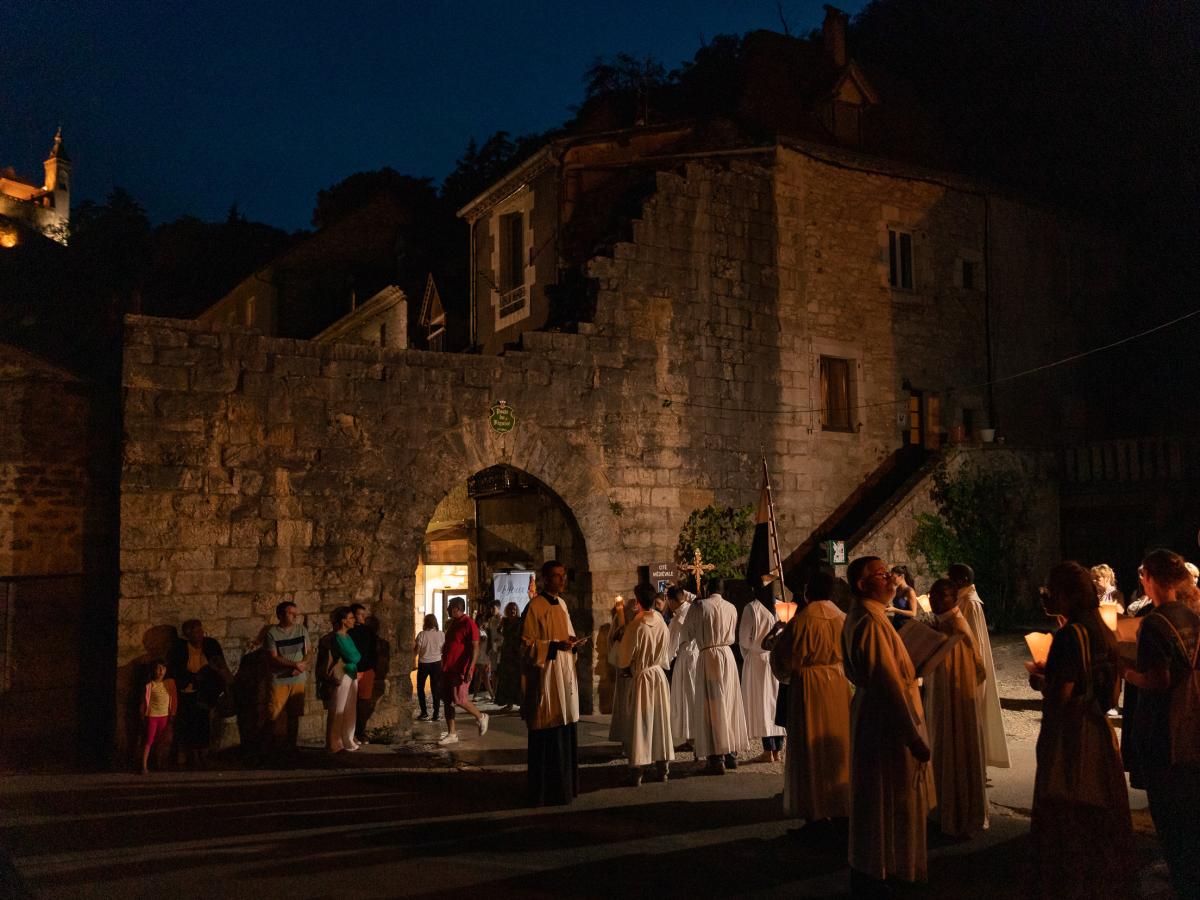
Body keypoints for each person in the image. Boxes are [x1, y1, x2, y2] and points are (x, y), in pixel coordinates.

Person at [1028, 561, 1133, 900]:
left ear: (1069, 595)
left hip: (1072, 737)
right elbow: (1113, 692)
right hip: (1099, 730)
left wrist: (1042, 679)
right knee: (1100, 813)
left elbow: (1062, 697)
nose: (1047, 598)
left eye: (1051, 591)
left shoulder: (1070, 635)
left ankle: (1070, 884)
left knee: (1068, 810)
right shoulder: (1104, 628)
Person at [842, 556, 932, 896]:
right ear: (863, 585)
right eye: (882, 576)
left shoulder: (869, 615)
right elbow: (888, 683)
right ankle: (886, 867)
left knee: (878, 794)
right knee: (888, 794)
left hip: (873, 711)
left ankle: (878, 866)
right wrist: (913, 736)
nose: (891, 579)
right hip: (886, 719)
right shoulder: (871, 621)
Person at [1122, 549, 1200, 900]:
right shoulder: (1192, 615)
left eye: (1143, 576)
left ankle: (1183, 877)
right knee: (1190, 804)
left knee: (1167, 809)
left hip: (1164, 726)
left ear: (1151, 578)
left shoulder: (1154, 622)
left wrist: (1127, 672)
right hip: (1191, 721)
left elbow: (1159, 680)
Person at [769, 570, 851, 826]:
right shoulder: (842, 618)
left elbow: (783, 658)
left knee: (810, 745)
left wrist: (785, 670)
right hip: (837, 684)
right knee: (837, 744)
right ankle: (840, 805)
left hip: (809, 687)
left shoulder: (802, 620)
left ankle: (813, 812)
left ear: (808, 591)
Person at [925, 578, 988, 839]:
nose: (934, 600)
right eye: (932, 595)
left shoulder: (957, 627)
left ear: (953, 599)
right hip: (941, 698)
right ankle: (942, 808)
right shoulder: (942, 623)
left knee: (956, 749)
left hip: (955, 701)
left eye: (941, 596)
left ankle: (959, 813)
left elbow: (970, 667)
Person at [521, 560, 585, 806]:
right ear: (547, 579)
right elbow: (525, 645)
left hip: (564, 672)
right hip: (547, 678)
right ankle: (545, 791)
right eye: (557, 576)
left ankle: (566, 788)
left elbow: (565, 634)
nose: (562, 580)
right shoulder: (535, 606)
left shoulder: (563, 605)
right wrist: (554, 646)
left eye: (563, 575)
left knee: (566, 726)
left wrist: (573, 642)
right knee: (549, 732)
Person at [681, 581, 749, 774]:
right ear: (723, 591)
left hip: (708, 655)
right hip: (727, 656)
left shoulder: (699, 606)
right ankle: (731, 754)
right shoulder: (732, 607)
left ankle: (716, 757)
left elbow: (687, 633)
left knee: (711, 705)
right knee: (728, 702)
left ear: (706, 590)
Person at [947, 563, 1010, 768]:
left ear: (962, 580)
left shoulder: (971, 604)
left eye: (951, 578)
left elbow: (974, 642)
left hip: (969, 669)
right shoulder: (962, 600)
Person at [617, 583, 674, 785]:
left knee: (641, 722)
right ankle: (662, 766)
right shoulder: (660, 620)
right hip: (657, 675)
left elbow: (625, 657)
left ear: (638, 601)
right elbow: (666, 649)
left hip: (642, 677)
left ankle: (638, 769)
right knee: (659, 721)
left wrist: (625, 664)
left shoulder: (636, 625)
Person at [167, 619, 232, 767]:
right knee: (190, 723)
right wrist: (193, 677)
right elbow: (176, 671)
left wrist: (227, 685)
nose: (200, 634)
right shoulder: (180, 649)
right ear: (187, 634)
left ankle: (204, 755)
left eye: (200, 630)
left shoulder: (211, 645)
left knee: (204, 723)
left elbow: (220, 665)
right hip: (187, 690)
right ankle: (193, 756)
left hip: (207, 690)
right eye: (196, 632)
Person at [739, 584, 785, 763]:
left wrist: (749, 654)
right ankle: (777, 749)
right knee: (775, 702)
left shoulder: (751, 608)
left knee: (764, 704)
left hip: (758, 661)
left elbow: (744, 639)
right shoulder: (782, 606)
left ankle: (769, 749)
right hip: (777, 658)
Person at [438, 597, 488, 746]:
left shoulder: (469, 624)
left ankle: (480, 716)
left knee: (459, 699)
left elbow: (475, 647)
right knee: (448, 701)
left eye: (449, 607)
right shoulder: (453, 623)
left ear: (456, 609)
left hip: (460, 668)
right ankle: (452, 733)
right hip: (448, 667)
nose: (447, 609)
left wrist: (470, 668)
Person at [265, 601, 311, 756]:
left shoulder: (301, 629)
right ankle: (274, 747)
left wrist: (302, 666)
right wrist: (295, 665)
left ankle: (291, 745)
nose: (294, 616)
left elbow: (309, 651)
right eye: (290, 613)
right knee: (274, 714)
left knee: (294, 713)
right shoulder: (272, 633)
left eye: (295, 613)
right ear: (280, 615)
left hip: (297, 679)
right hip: (280, 679)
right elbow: (274, 657)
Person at [318, 606, 360, 754]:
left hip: (351, 674)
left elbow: (355, 655)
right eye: (350, 618)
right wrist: (354, 658)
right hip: (343, 675)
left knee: (349, 708)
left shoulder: (347, 636)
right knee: (338, 708)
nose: (353, 620)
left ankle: (347, 739)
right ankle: (334, 742)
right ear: (343, 621)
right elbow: (354, 656)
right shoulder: (337, 637)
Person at [666, 586, 699, 750]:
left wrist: (665, 662)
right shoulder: (696, 608)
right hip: (700, 655)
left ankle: (692, 737)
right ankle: (697, 735)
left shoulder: (677, 619)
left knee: (687, 698)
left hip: (686, 659)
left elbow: (671, 646)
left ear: (672, 601)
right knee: (696, 696)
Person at [607, 593, 640, 755]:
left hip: (638, 668)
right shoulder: (619, 620)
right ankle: (625, 741)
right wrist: (618, 635)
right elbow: (611, 639)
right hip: (623, 667)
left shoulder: (641, 620)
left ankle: (637, 740)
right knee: (624, 705)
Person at [348, 603, 379, 743]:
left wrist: (372, 668)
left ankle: (361, 731)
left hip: (366, 671)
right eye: (360, 614)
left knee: (364, 703)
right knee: (350, 703)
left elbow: (373, 650)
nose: (363, 617)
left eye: (363, 614)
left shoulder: (368, 631)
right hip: (351, 671)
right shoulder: (348, 632)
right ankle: (350, 732)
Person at [140, 659, 177, 774]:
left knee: (161, 741)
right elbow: (143, 702)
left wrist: (173, 714)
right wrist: (142, 715)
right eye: (158, 668)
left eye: (163, 668)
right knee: (149, 740)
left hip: (164, 716)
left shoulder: (170, 683)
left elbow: (174, 699)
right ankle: (144, 765)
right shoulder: (150, 685)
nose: (161, 671)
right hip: (153, 716)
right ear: (154, 670)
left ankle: (159, 763)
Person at [493, 602, 523, 712]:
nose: (512, 611)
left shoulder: (520, 621)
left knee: (517, 679)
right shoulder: (504, 621)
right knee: (507, 679)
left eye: (514, 609)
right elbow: (499, 632)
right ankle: (509, 703)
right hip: (507, 653)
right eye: (510, 609)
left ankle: (520, 704)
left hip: (516, 653)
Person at [414, 614, 444, 721]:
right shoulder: (441, 634)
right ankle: (436, 713)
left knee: (420, 687)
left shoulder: (422, 635)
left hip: (424, 663)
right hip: (437, 663)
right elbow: (444, 650)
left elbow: (416, 650)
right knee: (435, 688)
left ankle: (424, 712)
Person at [888, 565, 919, 630]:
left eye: (894, 578)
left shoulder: (910, 591)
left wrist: (895, 609)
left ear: (901, 576)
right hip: (896, 622)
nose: (892, 580)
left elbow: (913, 613)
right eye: (891, 577)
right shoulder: (897, 589)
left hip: (905, 625)